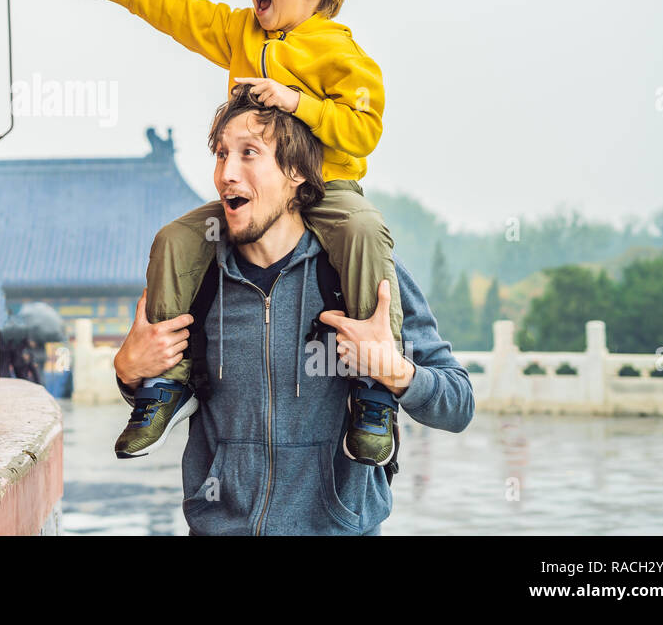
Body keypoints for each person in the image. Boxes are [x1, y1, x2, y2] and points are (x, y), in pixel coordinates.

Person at [57, 0, 404, 468]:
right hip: (259, 196)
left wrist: (295, 102)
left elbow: (365, 129)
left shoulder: (340, 52)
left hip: (327, 189)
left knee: (363, 228)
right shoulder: (241, 33)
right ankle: (163, 384)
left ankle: (375, 393)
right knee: (175, 237)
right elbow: (179, 11)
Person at [112, 85, 473, 534]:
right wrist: (128, 374)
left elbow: (459, 403)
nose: (227, 172)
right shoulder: (198, 279)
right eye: (221, 155)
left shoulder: (358, 274)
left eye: (249, 153)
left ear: (297, 172)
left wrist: (396, 372)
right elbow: (171, 389)